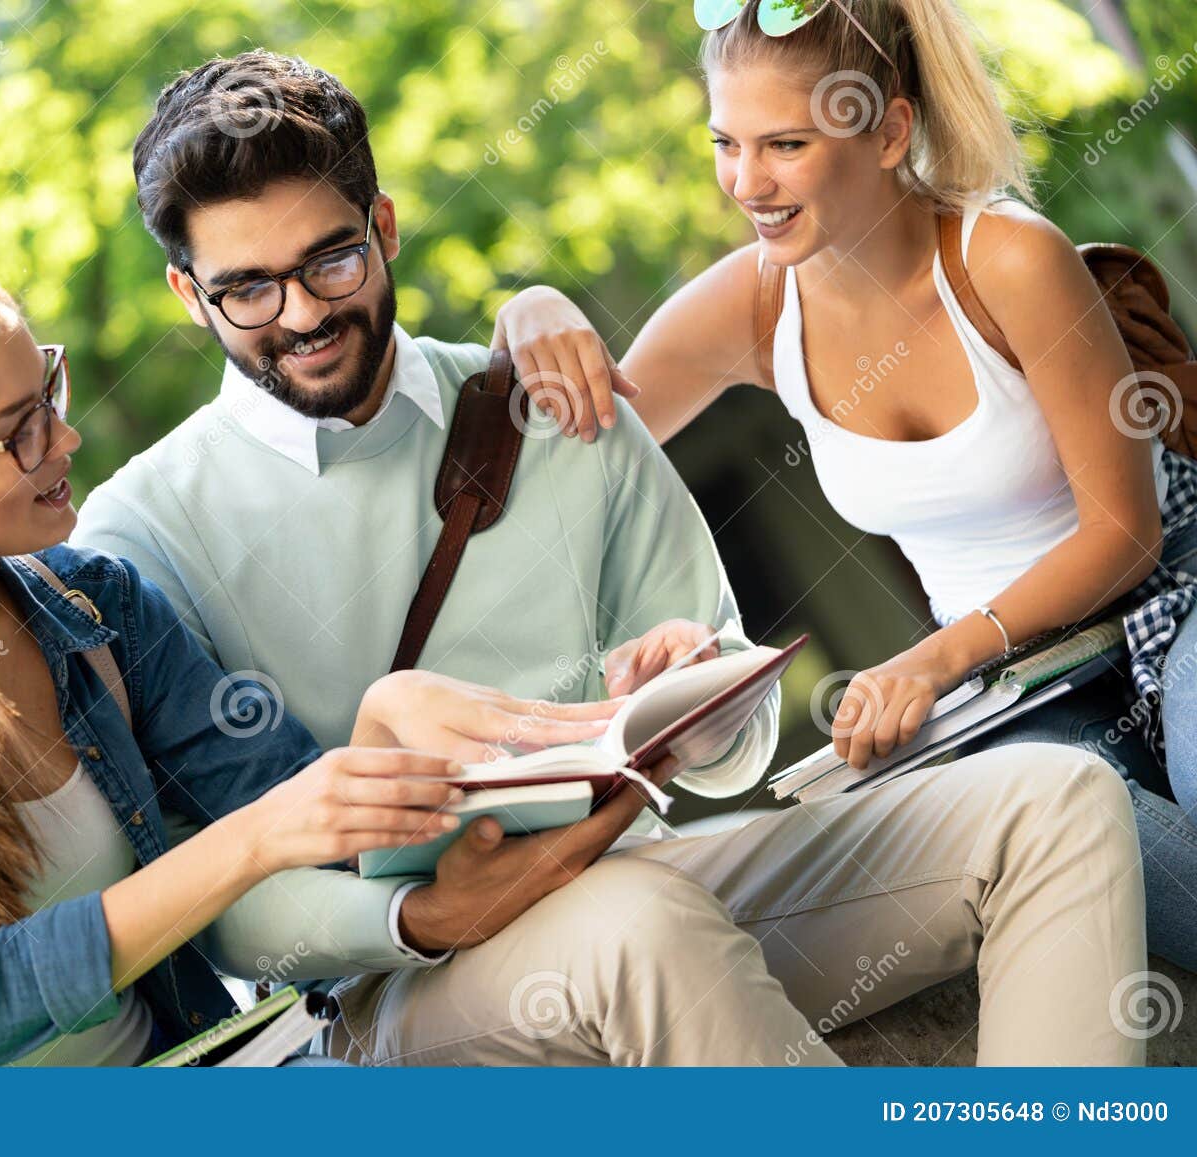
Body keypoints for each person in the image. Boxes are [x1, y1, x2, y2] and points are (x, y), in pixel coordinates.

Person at [73, 48, 1149, 1065]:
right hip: (397, 991)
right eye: (248, 289)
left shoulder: (553, 407)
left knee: (1053, 802)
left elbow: (735, 737)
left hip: (646, 884)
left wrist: (697, 689)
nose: (303, 314)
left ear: (384, 226)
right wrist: (413, 912)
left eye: (332, 260)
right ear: (188, 294)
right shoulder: (139, 534)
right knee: (637, 918)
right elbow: (201, 888)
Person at [0, 259, 693, 1065]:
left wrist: (406, 745)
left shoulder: (95, 606)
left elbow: (295, 817)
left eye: (48, 391)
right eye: (19, 432)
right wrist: (256, 838)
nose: (65, 436)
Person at [489, 0, 1197, 969]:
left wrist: (930, 663)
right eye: (726, 143)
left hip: (1169, 594)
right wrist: (529, 310)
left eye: (785, 144)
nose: (748, 183)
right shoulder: (751, 304)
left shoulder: (1006, 258)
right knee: (1103, 844)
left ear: (889, 131)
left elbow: (1126, 533)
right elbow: (574, 468)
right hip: (1012, 687)